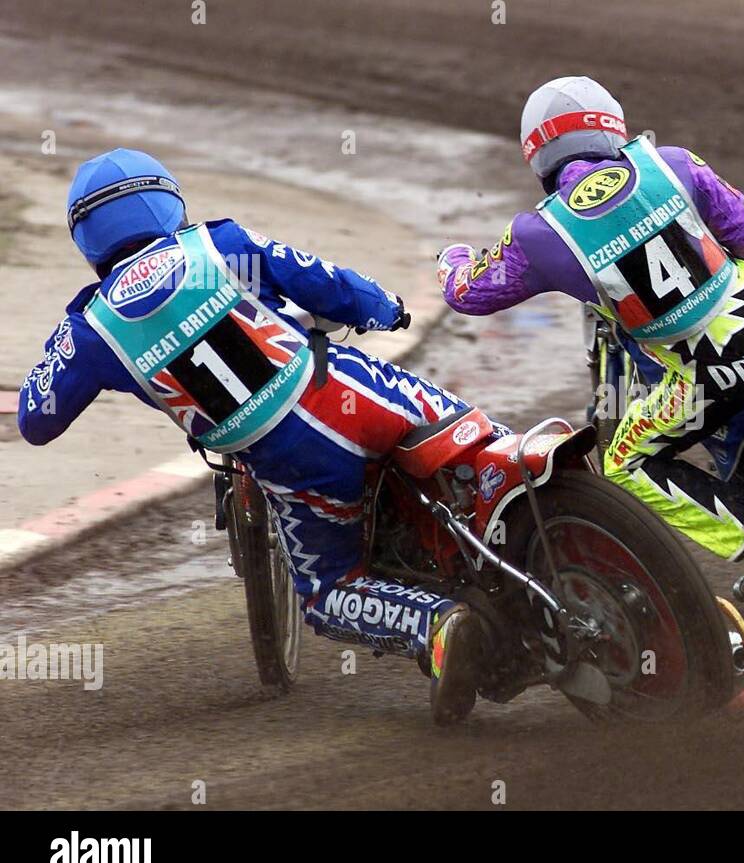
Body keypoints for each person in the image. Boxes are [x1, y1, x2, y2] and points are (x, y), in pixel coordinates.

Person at [19, 148, 492, 723]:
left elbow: (35, 420)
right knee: (481, 441)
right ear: (168, 202)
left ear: (87, 239)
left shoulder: (90, 331)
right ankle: (544, 497)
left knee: (326, 592)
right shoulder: (220, 243)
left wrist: (87, 354)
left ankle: (437, 624)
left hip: (295, 461)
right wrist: (388, 310)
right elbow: (328, 283)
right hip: (356, 391)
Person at [436, 76, 744, 603]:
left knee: (624, 463)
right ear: (611, 125)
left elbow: (468, 293)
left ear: (539, 153)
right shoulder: (673, 163)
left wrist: (451, 259)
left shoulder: (541, 233)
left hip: (703, 371)